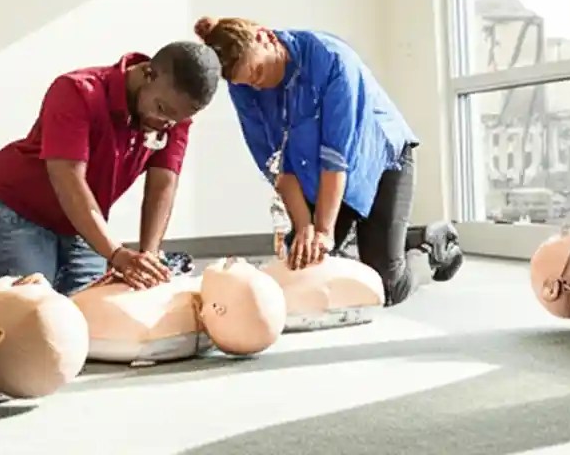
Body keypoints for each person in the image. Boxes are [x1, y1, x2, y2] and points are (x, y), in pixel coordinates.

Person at [193, 16, 464, 307]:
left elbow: (337, 156)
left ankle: (431, 246)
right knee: (305, 267)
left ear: (265, 37)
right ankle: (391, 239)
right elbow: (277, 166)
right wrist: (305, 227)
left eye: (257, 72)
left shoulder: (331, 59)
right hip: (318, 173)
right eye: (246, 82)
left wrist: (323, 230)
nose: (256, 87)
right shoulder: (244, 86)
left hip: (381, 158)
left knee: (385, 284)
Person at [0, 42, 221, 295]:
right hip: (14, 208)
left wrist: (148, 257)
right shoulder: (77, 90)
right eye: (161, 109)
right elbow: (68, 179)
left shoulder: (172, 118)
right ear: (147, 73)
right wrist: (116, 253)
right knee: (33, 309)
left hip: (78, 224)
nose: (164, 124)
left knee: (92, 311)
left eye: (176, 119)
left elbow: (163, 184)